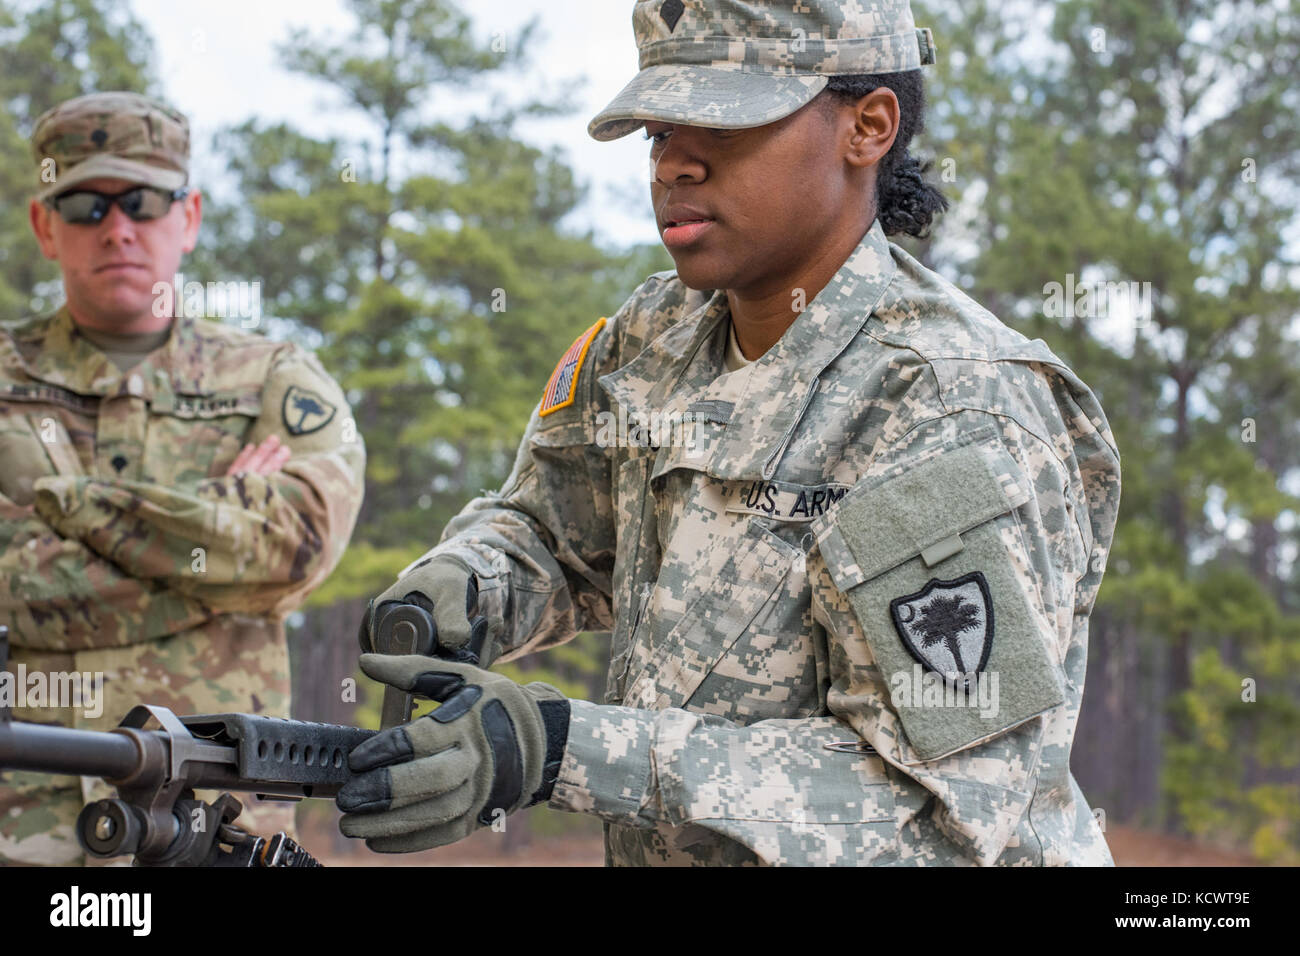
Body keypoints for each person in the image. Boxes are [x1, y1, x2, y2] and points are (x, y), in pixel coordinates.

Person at [339, 0, 1120, 866]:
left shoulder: (950, 405)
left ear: (866, 127)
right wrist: (469, 582)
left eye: (724, 121)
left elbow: (935, 811)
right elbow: (558, 535)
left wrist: (559, 750)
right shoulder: (652, 339)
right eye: (658, 131)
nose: (674, 162)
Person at [0, 91, 366, 864]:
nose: (118, 227)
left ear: (189, 216)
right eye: (85, 205)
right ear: (44, 225)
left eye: (143, 200)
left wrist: (68, 514)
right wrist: (212, 534)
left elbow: (289, 555)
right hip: (23, 827)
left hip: (218, 832)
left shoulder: (272, 377)